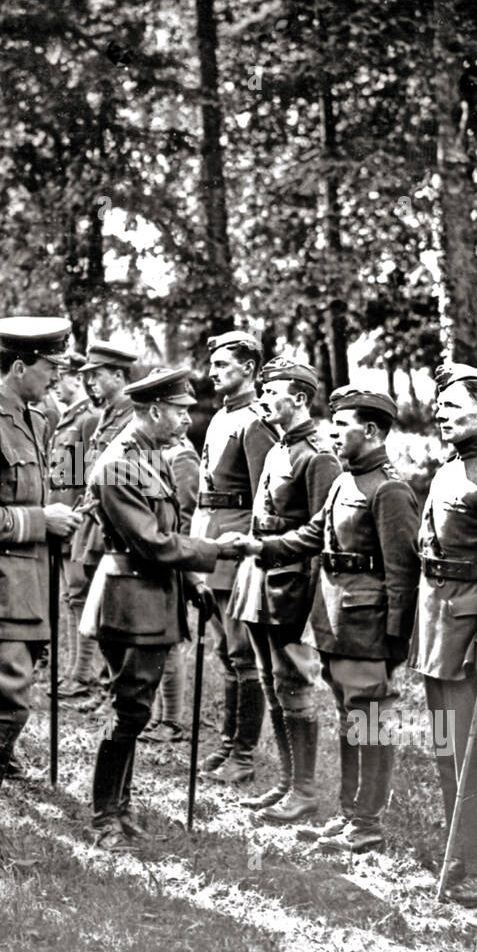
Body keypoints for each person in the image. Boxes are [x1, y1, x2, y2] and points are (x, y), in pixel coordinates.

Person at [233, 386, 419, 853]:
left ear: (372, 432)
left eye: (343, 428)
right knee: (350, 719)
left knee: (369, 722)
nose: (334, 435)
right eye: (332, 428)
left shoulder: (389, 489)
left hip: (369, 627)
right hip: (336, 622)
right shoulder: (345, 481)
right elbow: (315, 534)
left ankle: (368, 823)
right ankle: (349, 815)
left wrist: (396, 641)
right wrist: (262, 546)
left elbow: (402, 572)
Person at [0, 316, 83, 882]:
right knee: (6, 709)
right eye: (50, 367)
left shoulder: (30, 417)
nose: (56, 378)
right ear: (20, 365)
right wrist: (40, 520)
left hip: (23, 586)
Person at [82, 367, 235, 850]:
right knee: (129, 710)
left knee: (135, 706)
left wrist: (192, 582)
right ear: (153, 411)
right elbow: (151, 542)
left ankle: (118, 808)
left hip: (150, 596)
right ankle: (105, 817)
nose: (187, 418)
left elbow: (163, 527)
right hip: (129, 600)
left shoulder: (151, 456)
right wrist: (216, 554)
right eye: (180, 410)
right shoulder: (119, 464)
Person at [408, 364, 477, 905]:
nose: (440, 414)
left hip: (470, 627)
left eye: (452, 406)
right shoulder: (453, 467)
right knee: (447, 748)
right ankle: (460, 851)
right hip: (438, 626)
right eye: (440, 406)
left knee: (475, 753)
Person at [228, 359, 340, 821]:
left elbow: (321, 532)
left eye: (271, 391)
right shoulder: (277, 447)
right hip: (259, 579)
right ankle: (287, 783)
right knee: (272, 683)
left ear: (298, 399)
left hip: (292, 583)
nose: (262, 398)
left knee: (293, 683)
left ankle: (307, 790)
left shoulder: (318, 455)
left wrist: (306, 595)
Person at [193, 331, 277, 784]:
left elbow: (266, 496)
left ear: (248, 368)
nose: (212, 372)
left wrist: (248, 551)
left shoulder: (255, 420)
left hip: (237, 546)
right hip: (212, 544)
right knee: (225, 652)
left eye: (223, 365)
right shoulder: (222, 416)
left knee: (243, 655)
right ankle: (228, 744)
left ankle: (243, 755)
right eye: (213, 365)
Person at [62, 340, 140, 707]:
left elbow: (143, 481)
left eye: (97, 376)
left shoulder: (135, 418)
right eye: (88, 377)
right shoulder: (106, 415)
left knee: (117, 611)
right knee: (97, 607)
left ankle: (121, 692)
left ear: (119, 376)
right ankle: (110, 686)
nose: (90, 383)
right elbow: (79, 474)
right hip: (95, 522)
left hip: (116, 524)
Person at [140, 428, 202, 743]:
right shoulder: (156, 454)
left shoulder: (182, 455)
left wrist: (180, 558)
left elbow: (185, 515)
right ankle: (156, 716)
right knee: (156, 639)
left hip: (173, 556)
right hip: (156, 556)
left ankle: (172, 720)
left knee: (171, 640)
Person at [49, 352, 98, 691]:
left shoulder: (86, 420)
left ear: (76, 379)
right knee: (69, 597)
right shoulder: (69, 416)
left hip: (74, 519)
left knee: (78, 596)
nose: (55, 382)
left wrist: (76, 518)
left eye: (61, 375)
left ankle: (83, 673)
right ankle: (73, 671)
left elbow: (84, 478)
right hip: (60, 516)